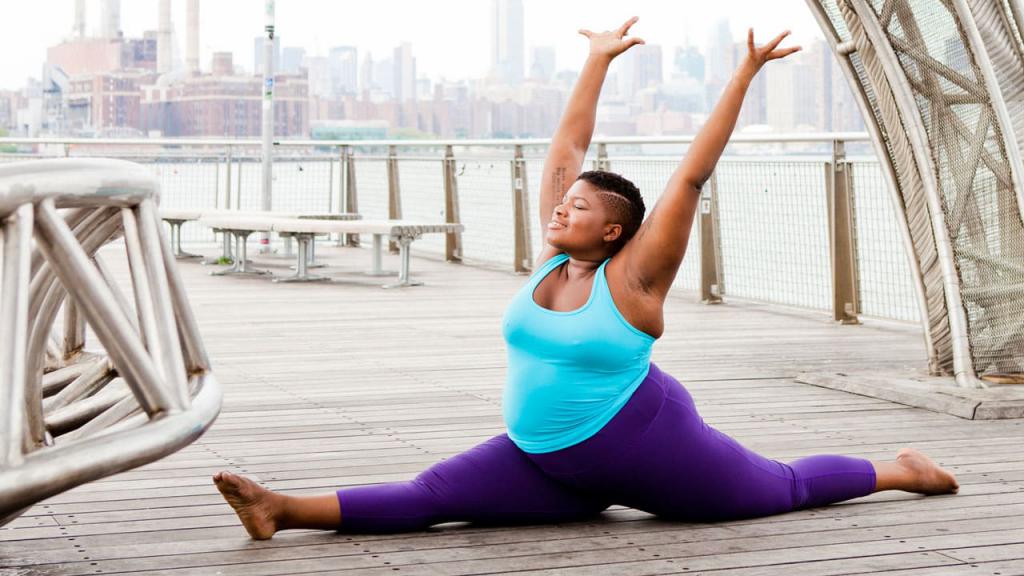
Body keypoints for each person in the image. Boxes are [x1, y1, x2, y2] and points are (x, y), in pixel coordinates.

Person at [213, 18, 959, 540]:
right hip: (545, 457)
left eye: (576, 208)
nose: (558, 207)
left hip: (649, 443)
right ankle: (280, 508)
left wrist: (745, 73)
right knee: (432, 496)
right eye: (560, 201)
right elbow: (568, 143)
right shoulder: (550, 258)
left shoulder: (635, 281)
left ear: (613, 230)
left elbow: (692, 176)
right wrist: (599, 58)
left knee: (780, 489)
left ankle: (901, 470)